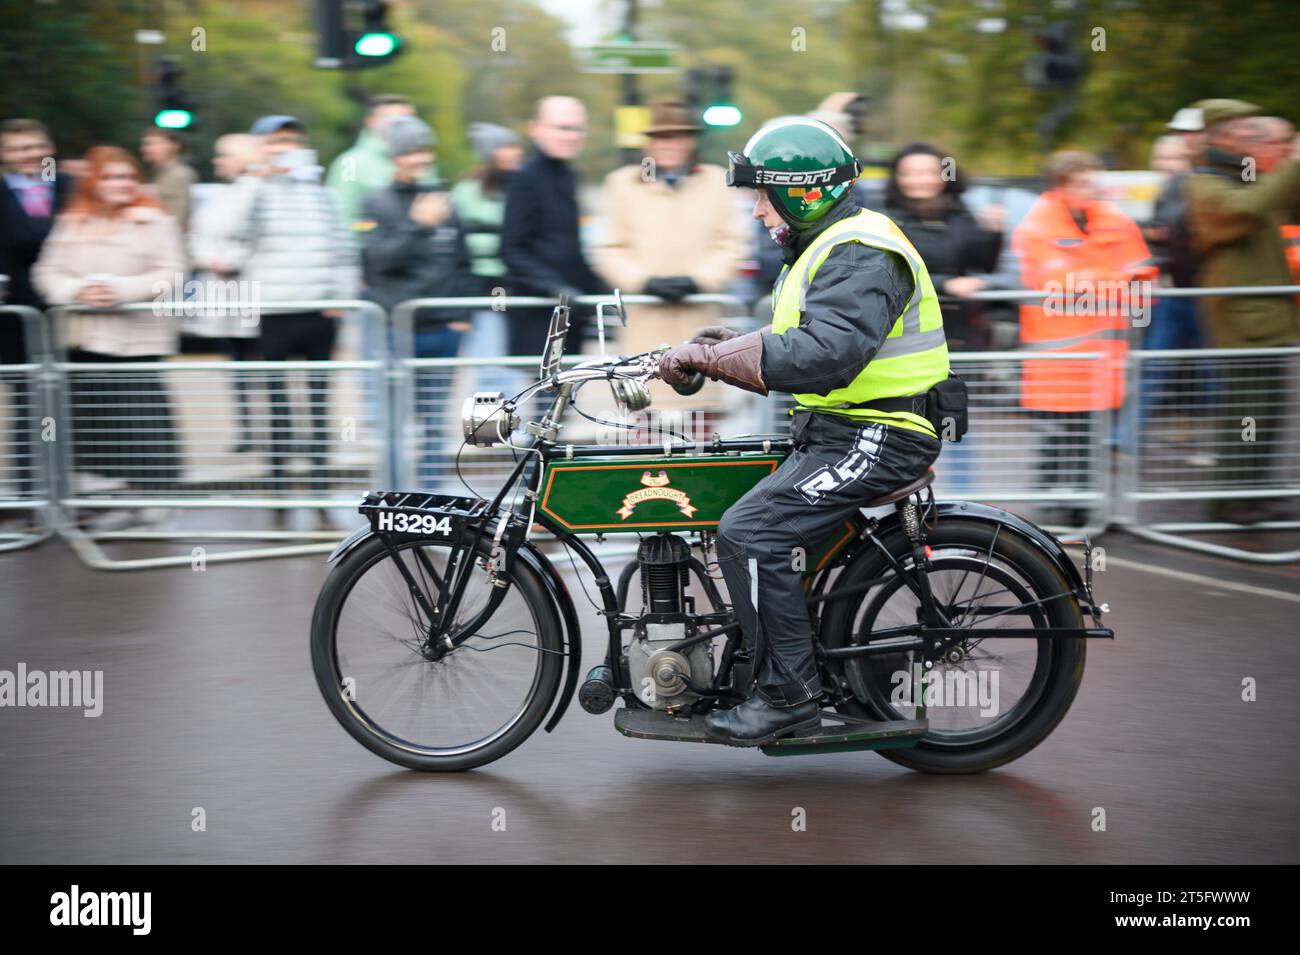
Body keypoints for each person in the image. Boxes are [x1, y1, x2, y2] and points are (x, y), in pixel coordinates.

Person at [659, 117, 950, 745]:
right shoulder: (823, 248)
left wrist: (717, 358)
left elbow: (826, 354)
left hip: (880, 431)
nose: (758, 210)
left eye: (765, 194)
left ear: (803, 190)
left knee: (753, 531)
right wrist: (723, 345)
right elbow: (798, 335)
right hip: (838, 428)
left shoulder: (861, 249)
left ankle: (789, 695)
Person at [32, 146, 186, 505]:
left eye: (130, 176)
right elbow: (47, 271)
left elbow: (173, 272)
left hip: (137, 340)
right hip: (83, 339)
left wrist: (120, 290)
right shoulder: (72, 221)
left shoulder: (157, 221)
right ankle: (93, 499)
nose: (123, 184)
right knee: (88, 425)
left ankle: (148, 498)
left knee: (140, 423)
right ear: (94, 182)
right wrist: (77, 291)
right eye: (113, 176)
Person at [1011, 150, 1155, 528]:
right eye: (1081, 183)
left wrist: (1096, 280)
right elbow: (1052, 283)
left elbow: (1144, 277)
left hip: (1103, 350)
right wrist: (1111, 280)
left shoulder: (1115, 221)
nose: (1090, 190)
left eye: (1093, 181)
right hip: (1058, 352)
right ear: (1060, 186)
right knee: (1060, 431)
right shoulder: (1037, 225)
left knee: (1093, 430)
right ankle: (1056, 501)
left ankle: (1082, 506)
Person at [593, 100, 747, 438]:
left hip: (699, 322)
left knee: (701, 422)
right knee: (644, 417)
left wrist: (698, 280)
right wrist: (644, 282)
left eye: (677, 137)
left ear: (690, 141)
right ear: (649, 143)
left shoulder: (715, 184)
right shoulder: (622, 184)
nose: (669, 145)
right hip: (646, 321)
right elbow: (608, 248)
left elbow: (732, 243)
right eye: (661, 138)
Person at [235, 115, 359, 509]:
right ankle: (278, 491)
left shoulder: (324, 195)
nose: (284, 147)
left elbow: (343, 248)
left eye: (290, 140)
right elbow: (224, 227)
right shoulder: (253, 189)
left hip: (320, 312)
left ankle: (321, 489)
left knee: (320, 405)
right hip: (274, 311)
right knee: (277, 404)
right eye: (275, 141)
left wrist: (340, 298)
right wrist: (256, 176)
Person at [1185, 101, 1300, 523]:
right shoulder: (1205, 184)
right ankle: (1227, 500)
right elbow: (1248, 209)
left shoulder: (1248, 177)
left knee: (1268, 406)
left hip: (1266, 313)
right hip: (1240, 317)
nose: (1249, 138)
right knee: (1244, 409)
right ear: (1218, 135)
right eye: (1242, 131)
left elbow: (1277, 202)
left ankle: (1253, 489)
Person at [358, 115, 475, 487]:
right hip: (397, 330)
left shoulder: (444, 201)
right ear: (395, 157)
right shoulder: (375, 202)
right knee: (394, 422)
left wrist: (462, 314)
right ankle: (394, 500)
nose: (419, 158)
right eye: (410, 151)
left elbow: (461, 262)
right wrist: (418, 225)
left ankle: (433, 501)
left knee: (434, 422)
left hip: (442, 330)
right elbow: (378, 261)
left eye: (423, 150)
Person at [0, 118, 74, 505]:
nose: (29, 155)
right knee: (28, 405)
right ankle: (30, 494)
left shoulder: (71, 188)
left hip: (67, 314)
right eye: (18, 149)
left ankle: (63, 493)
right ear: (4, 155)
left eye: (35, 146)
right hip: (13, 317)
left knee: (63, 406)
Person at [500, 95, 607, 358]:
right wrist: (553, 286)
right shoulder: (525, 177)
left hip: (570, 309)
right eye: (562, 127)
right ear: (536, 128)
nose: (571, 136)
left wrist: (595, 289)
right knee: (548, 394)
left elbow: (570, 244)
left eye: (576, 128)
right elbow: (511, 249)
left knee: (570, 390)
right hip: (540, 311)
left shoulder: (569, 175)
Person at [188, 132, 265, 454]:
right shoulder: (222, 195)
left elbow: (258, 237)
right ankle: (247, 430)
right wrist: (208, 259)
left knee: (258, 363)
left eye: (224, 155)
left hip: (250, 288)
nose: (216, 161)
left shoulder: (258, 193)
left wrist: (230, 260)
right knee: (236, 363)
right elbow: (197, 233)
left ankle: (268, 430)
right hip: (221, 288)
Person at [451, 122, 524, 395]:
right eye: (505, 147)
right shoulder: (467, 192)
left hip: (518, 288)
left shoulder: (523, 185)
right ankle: (493, 428)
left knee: (517, 363)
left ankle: (517, 428)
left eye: (515, 146)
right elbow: (459, 249)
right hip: (486, 288)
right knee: (492, 363)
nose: (514, 152)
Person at [325, 93, 416, 232]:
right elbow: (343, 218)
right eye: (392, 118)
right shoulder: (350, 163)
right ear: (371, 121)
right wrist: (377, 233)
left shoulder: (420, 160)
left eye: (408, 119)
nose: (401, 125)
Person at [140, 127, 198, 234]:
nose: (148, 149)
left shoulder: (179, 175)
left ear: (174, 146)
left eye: (156, 144)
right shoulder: (157, 173)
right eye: (147, 144)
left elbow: (178, 216)